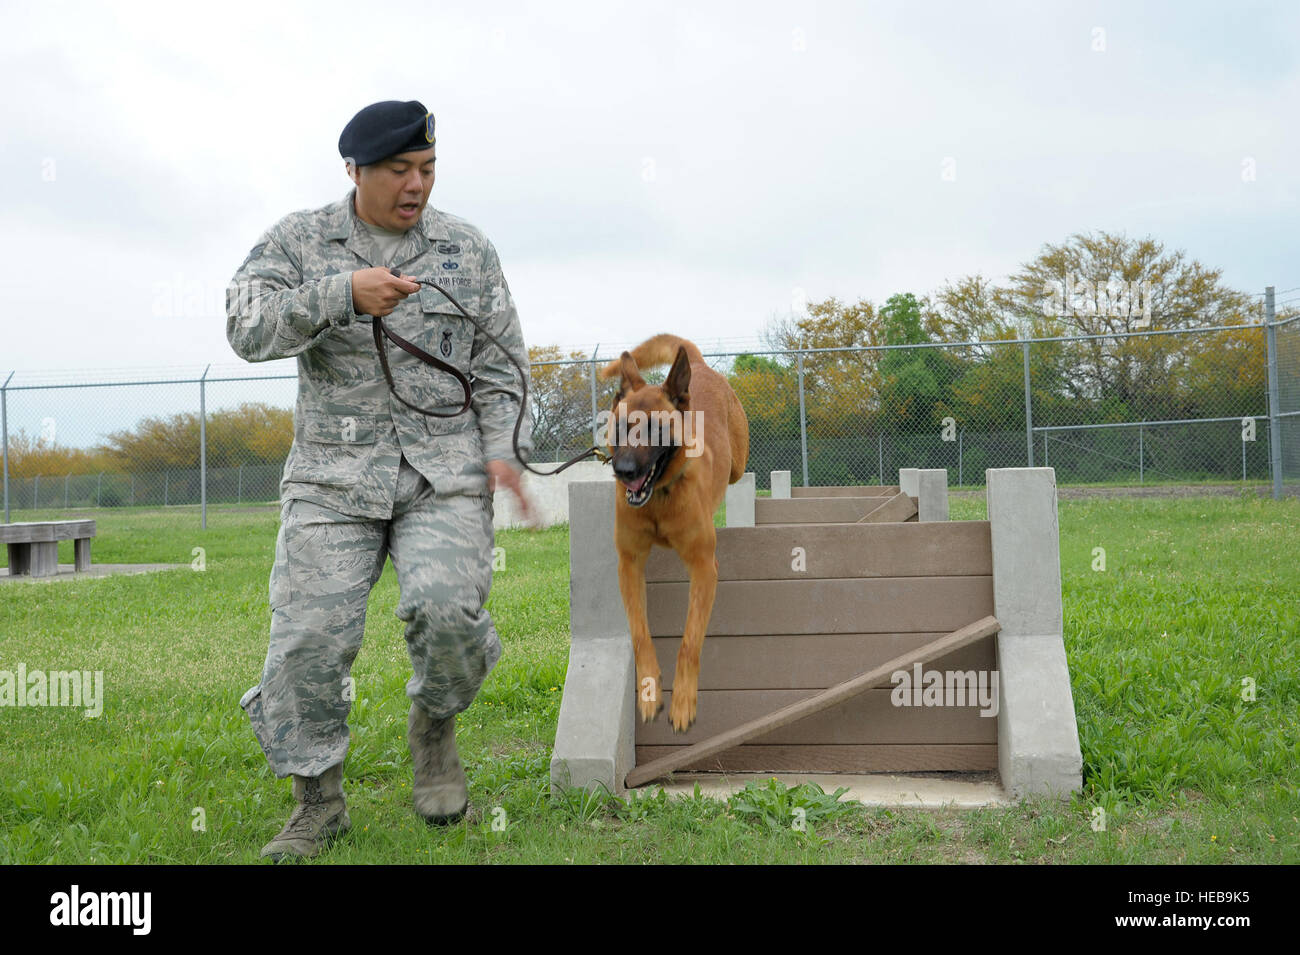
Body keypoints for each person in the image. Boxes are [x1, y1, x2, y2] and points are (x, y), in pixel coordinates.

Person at [225, 99, 535, 861]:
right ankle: (318, 801)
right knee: (306, 641)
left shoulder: (467, 248)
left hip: (443, 474)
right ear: (355, 170)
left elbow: (502, 364)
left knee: (448, 613)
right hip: (334, 481)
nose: (416, 184)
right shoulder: (301, 239)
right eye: (400, 170)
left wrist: (503, 450)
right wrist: (340, 295)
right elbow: (243, 324)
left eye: (427, 169)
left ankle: (434, 730)